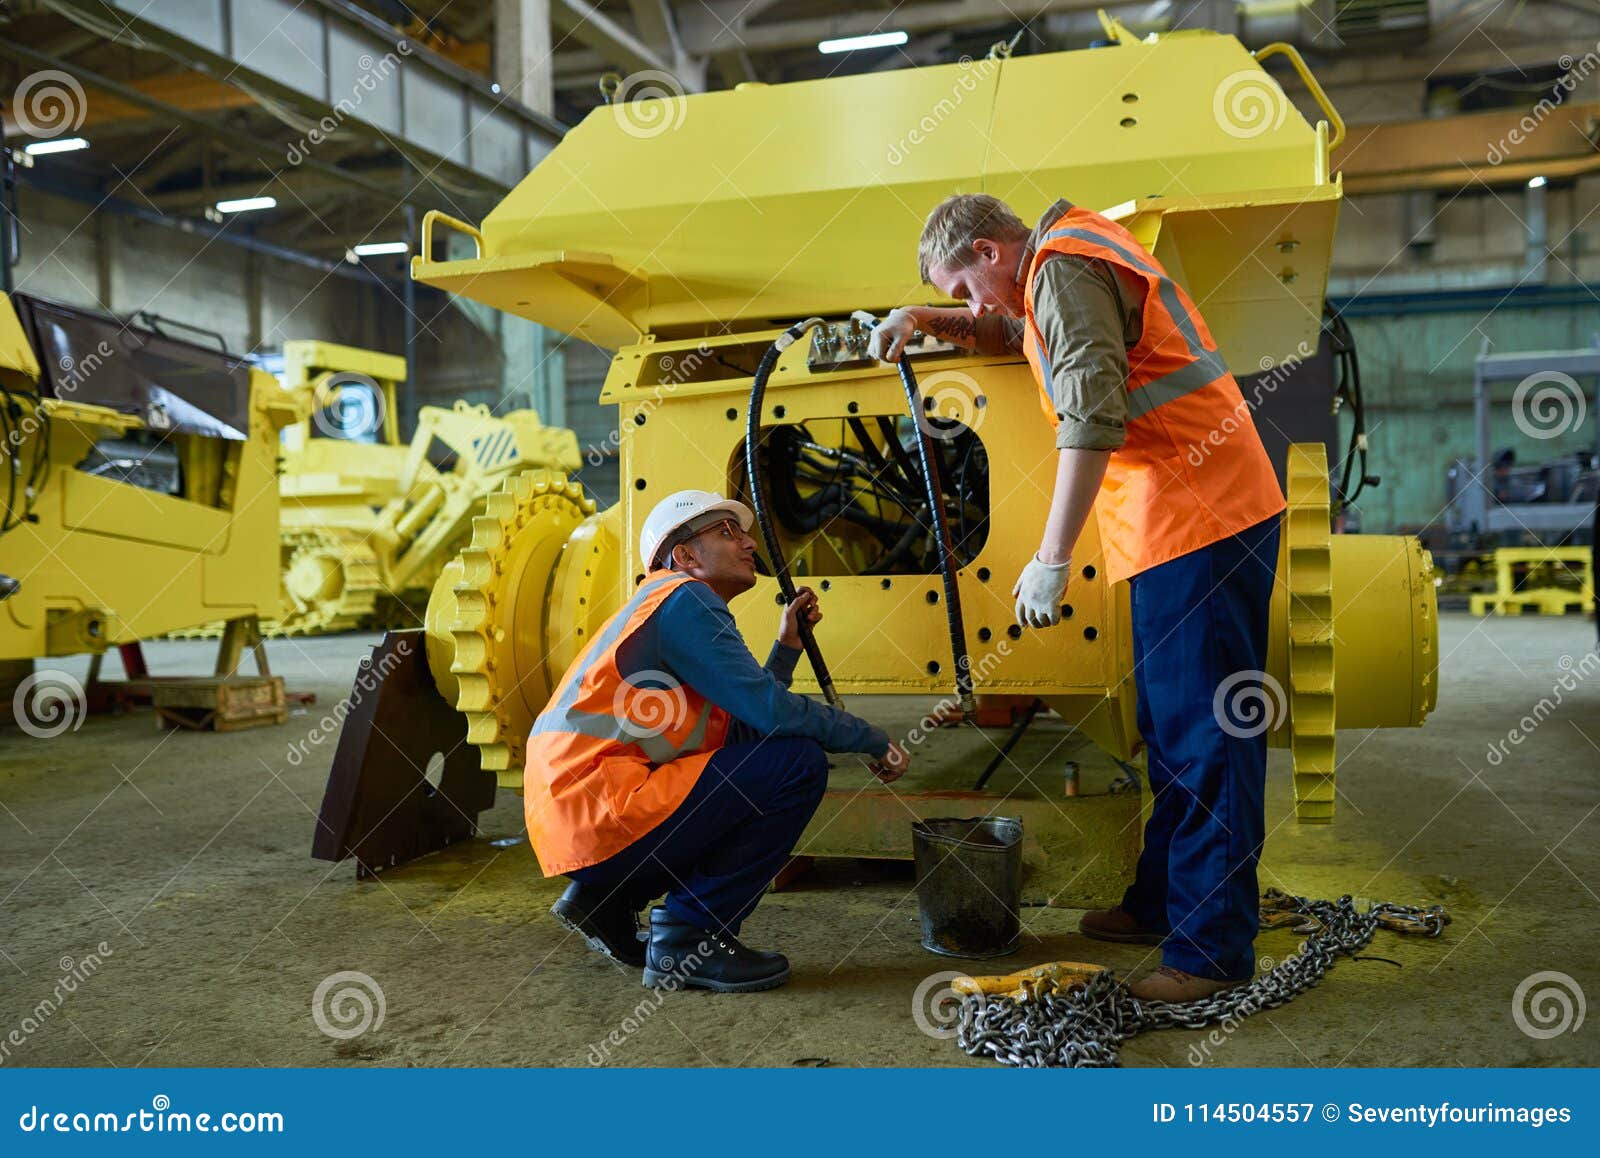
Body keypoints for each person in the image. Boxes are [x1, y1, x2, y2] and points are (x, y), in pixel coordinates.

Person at [870, 193, 1285, 1002]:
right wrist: (925, 316)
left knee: (1207, 737)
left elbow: (1092, 411)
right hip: (1176, 522)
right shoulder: (1054, 268)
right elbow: (1010, 331)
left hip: (1201, 515)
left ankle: (1210, 955)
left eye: (962, 286)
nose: (971, 305)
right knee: (1172, 729)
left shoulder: (1062, 269)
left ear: (992, 252)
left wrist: (1052, 558)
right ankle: (1164, 901)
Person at [524, 489, 911, 993]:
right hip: (599, 809)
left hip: (576, 815)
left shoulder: (662, 606)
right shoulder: (685, 599)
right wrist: (871, 738)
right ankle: (689, 938)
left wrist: (787, 647)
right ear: (684, 556)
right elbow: (771, 713)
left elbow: (745, 726)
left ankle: (602, 899)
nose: (749, 543)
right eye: (727, 532)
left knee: (764, 763)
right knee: (799, 764)